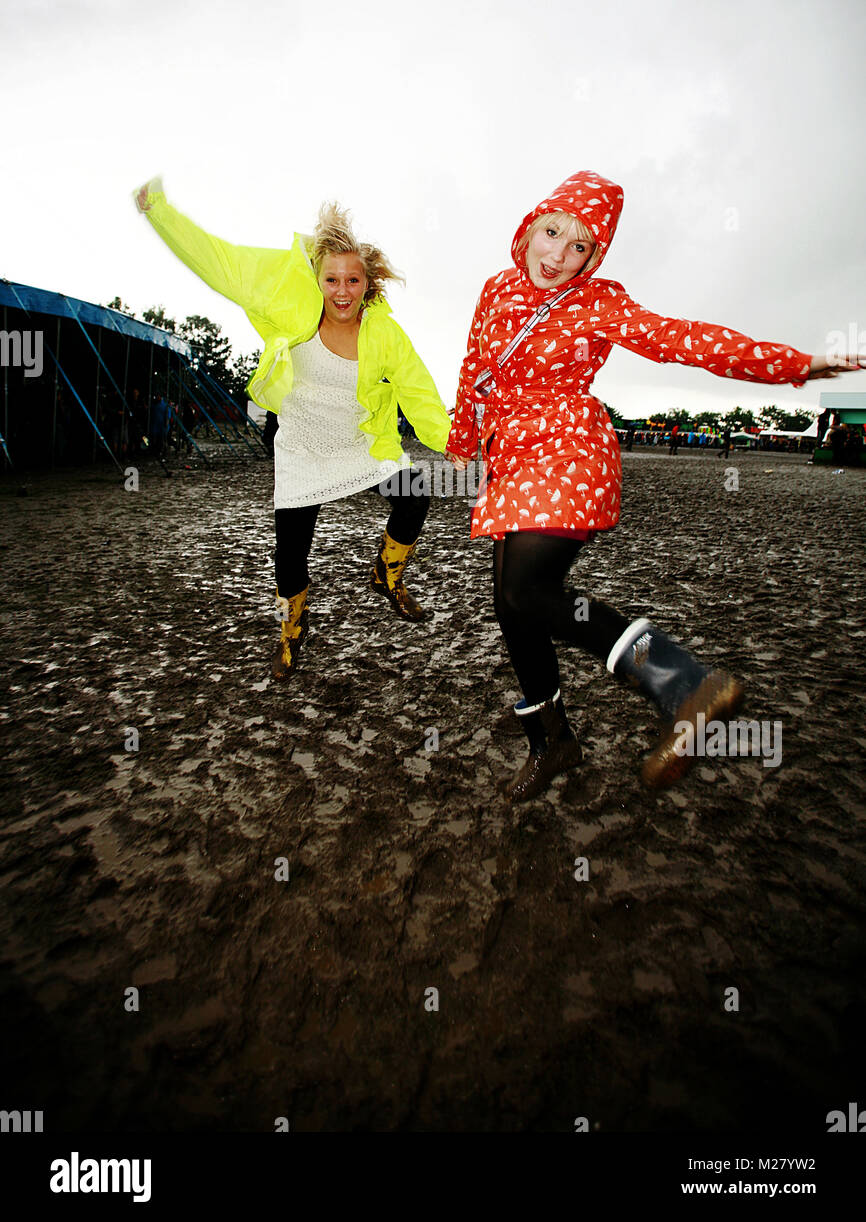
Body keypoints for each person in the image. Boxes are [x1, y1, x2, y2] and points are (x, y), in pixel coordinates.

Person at [445, 169, 863, 800]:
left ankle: (684, 685)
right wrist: (461, 450)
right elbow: (474, 370)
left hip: (566, 450)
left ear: (596, 255)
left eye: (579, 245)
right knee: (512, 603)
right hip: (509, 459)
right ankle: (552, 740)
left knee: (528, 590)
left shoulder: (597, 302)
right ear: (530, 224)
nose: (557, 254)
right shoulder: (495, 289)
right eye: (552, 231)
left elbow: (682, 341)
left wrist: (796, 364)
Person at [134, 178, 451, 678]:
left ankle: (387, 575)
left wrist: (454, 442)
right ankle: (289, 635)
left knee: (415, 493)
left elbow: (419, 391)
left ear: (368, 283)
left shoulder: (384, 333)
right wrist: (161, 214)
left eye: (353, 281)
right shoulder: (288, 303)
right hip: (302, 448)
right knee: (290, 557)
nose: (342, 291)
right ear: (317, 278)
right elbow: (221, 262)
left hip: (359, 442)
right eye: (332, 280)